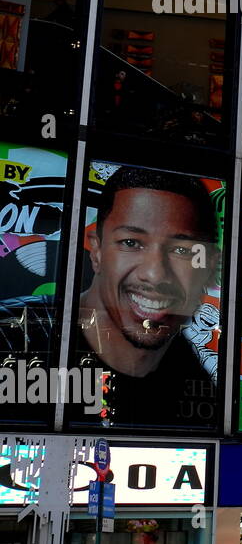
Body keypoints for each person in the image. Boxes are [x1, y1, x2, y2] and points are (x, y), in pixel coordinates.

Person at [0, 165, 219, 426]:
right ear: (97, 251)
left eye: (182, 250)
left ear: (209, 267)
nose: (155, 274)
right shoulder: (12, 339)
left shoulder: (196, 380)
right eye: (131, 243)